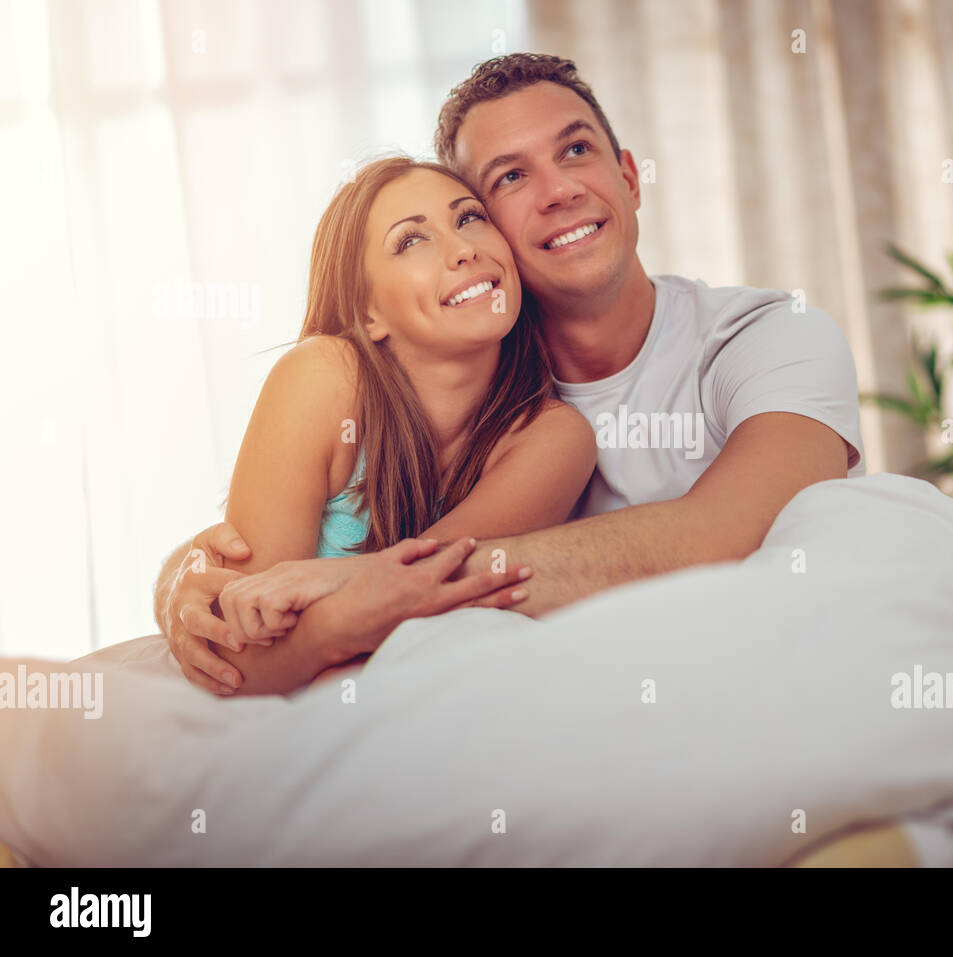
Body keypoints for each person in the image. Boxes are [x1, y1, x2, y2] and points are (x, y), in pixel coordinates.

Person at [155, 53, 865, 695]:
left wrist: (344, 586)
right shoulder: (397, 376)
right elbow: (253, 594)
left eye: (577, 150)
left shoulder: (767, 338)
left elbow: (716, 539)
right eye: (512, 177)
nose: (558, 191)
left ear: (628, 176)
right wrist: (181, 580)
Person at [167, 155, 595, 695]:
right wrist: (178, 582)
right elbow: (241, 660)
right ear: (369, 314)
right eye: (411, 242)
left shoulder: (556, 438)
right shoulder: (322, 377)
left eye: (468, 218)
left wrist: (321, 598)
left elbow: (420, 586)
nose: (464, 249)